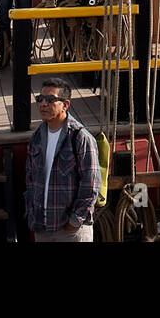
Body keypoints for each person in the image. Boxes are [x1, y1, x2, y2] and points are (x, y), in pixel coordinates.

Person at [25, 77, 101, 242]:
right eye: (40, 99)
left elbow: (91, 184)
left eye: (50, 99)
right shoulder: (36, 138)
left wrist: (74, 221)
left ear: (65, 105)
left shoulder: (80, 138)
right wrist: (32, 212)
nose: (43, 104)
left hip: (71, 231)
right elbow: (30, 179)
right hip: (42, 227)